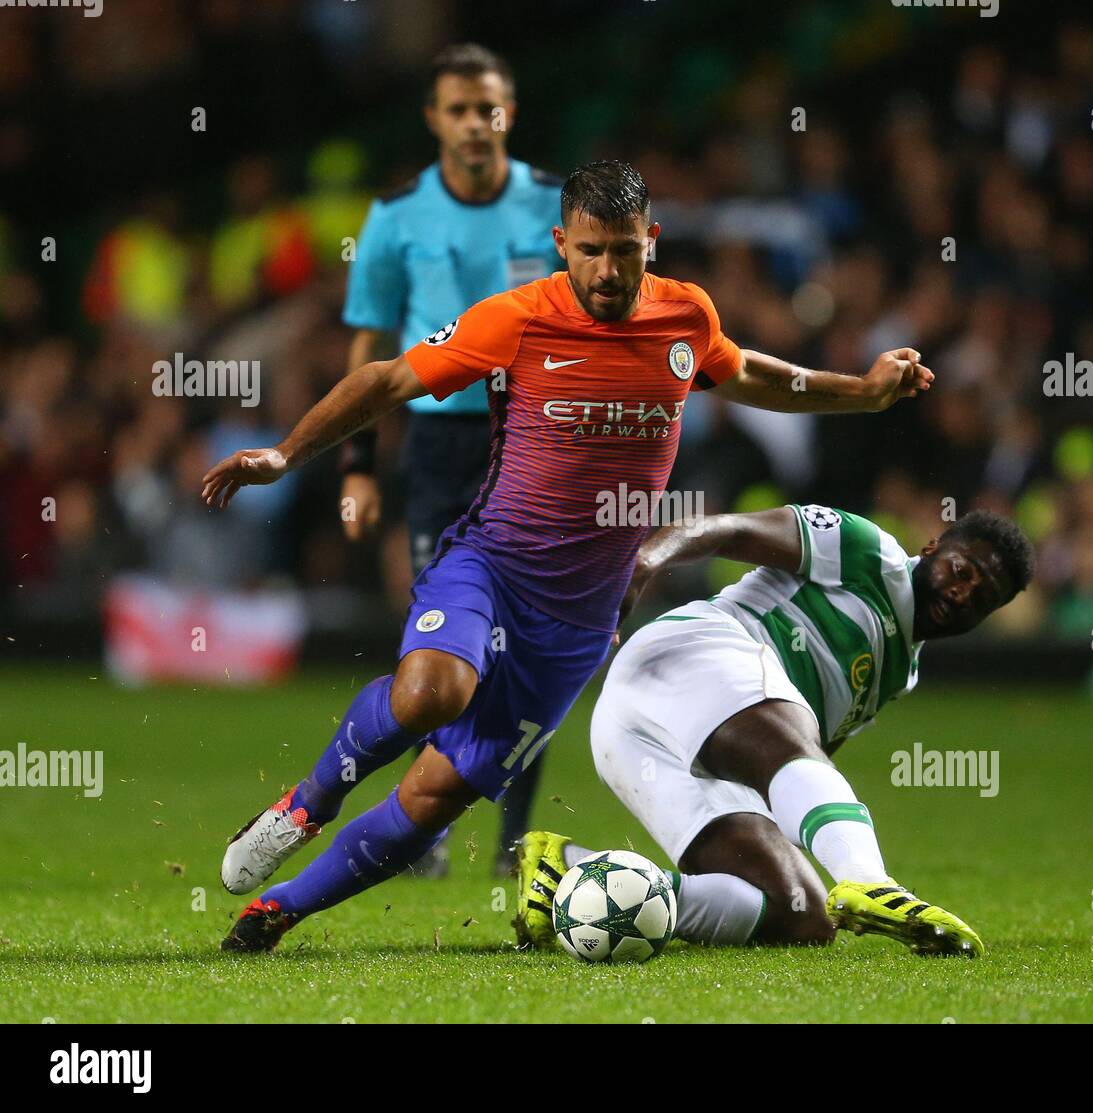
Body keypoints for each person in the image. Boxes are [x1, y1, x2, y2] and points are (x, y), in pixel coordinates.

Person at [203, 159, 933, 953]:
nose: (609, 269)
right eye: (590, 250)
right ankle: (304, 805)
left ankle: (277, 910)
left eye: (625, 249)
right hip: (491, 565)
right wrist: (285, 454)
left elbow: (752, 371)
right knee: (431, 692)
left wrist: (860, 390)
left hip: (578, 623)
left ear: (651, 241)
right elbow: (385, 381)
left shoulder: (685, 317)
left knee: (436, 792)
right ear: (561, 243)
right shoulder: (516, 318)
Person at [516, 506, 1034, 956]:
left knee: (800, 914)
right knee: (791, 744)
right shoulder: (867, 549)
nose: (963, 592)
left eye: (983, 597)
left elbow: (810, 757)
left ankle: (569, 877)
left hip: (634, 740)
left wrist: (785, 840)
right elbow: (726, 529)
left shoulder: (902, 673)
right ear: (933, 547)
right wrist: (648, 561)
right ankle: (873, 884)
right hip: (689, 656)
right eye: (961, 569)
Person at [340, 43, 560, 875]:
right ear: (433, 118)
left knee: (530, 638)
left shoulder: (550, 204)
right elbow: (370, 341)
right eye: (460, 109)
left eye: (490, 107)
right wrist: (356, 463)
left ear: (510, 112)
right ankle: (425, 826)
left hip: (534, 439)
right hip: (439, 442)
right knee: (444, 642)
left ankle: (515, 844)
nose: (477, 122)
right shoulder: (397, 215)